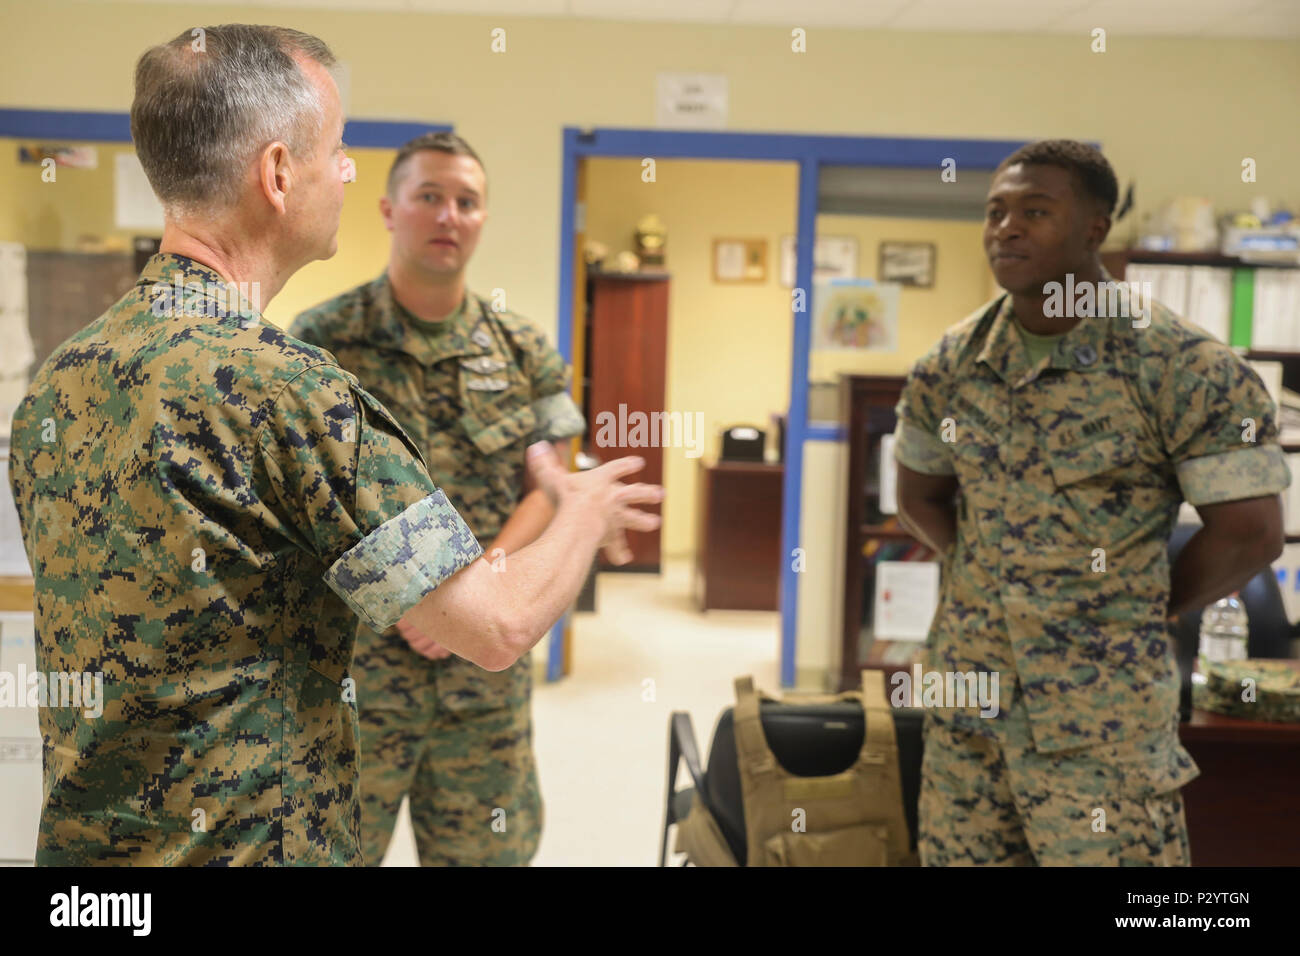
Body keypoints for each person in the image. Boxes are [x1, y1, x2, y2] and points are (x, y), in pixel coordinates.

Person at [6, 24, 660, 866]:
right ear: (279, 174)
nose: (347, 173)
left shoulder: (60, 381)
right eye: (338, 150)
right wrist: (586, 509)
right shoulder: (289, 391)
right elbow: (497, 627)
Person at [893, 139, 1288, 866]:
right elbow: (917, 496)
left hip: (1101, 727)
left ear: (1095, 229)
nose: (1007, 229)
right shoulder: (950, 363)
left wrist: (1143, 602)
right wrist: (991, 573)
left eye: (1035, 212)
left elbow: (1251, 533)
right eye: (995, 212)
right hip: (967, 710)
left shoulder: (1181, 366)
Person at [291, 132, 583, 866]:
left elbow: (550, 482)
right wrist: (417, 602)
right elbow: (306, 502)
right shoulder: (323, 341)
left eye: (467, 201)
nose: (449, 215)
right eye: (430, 197)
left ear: (482, 218)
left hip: (481, 681)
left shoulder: (522, 349)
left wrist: (476, 581)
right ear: (390, 210)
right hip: (358, 670)